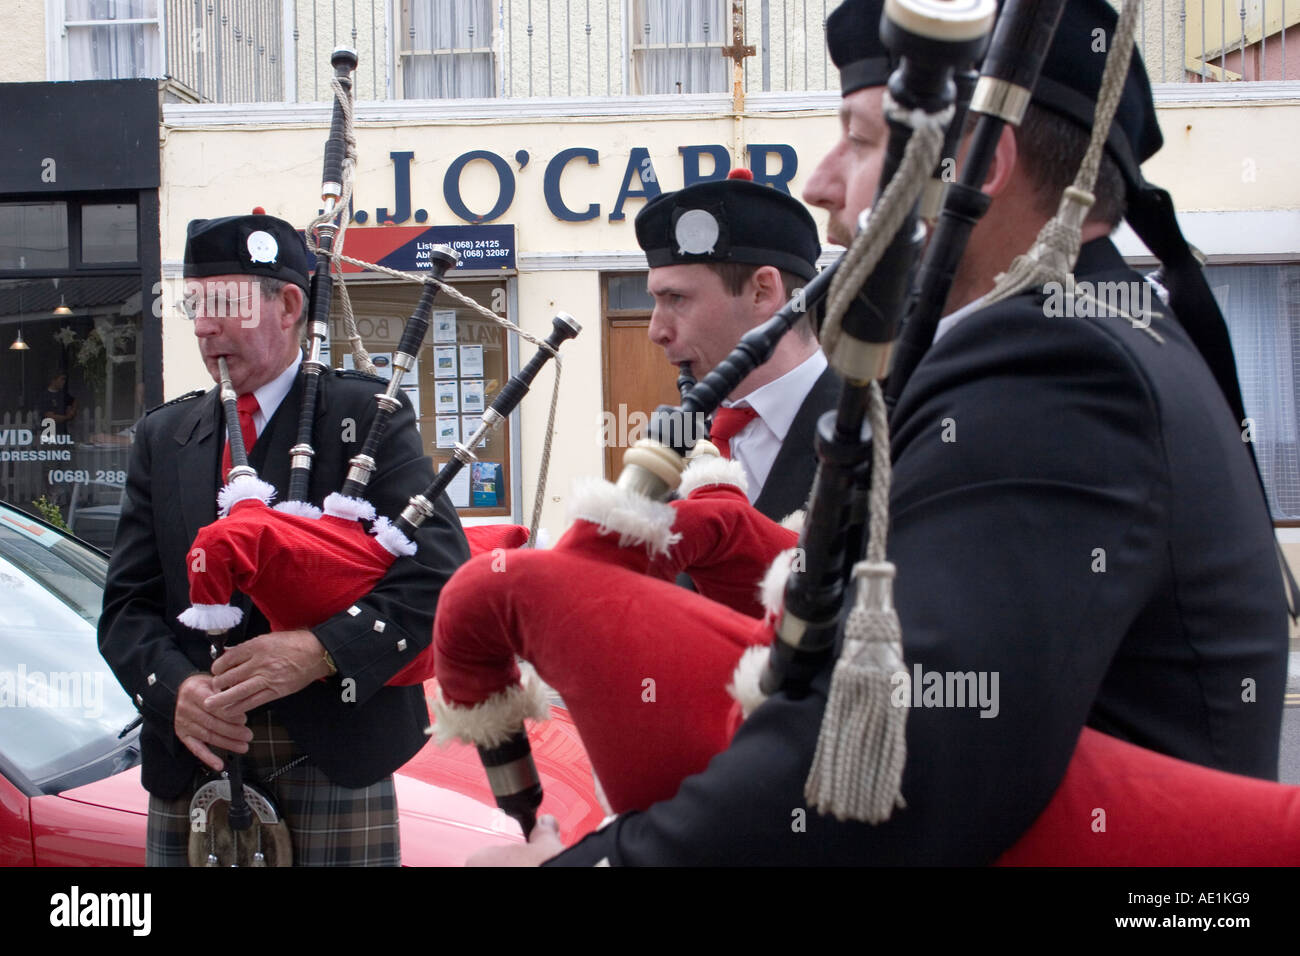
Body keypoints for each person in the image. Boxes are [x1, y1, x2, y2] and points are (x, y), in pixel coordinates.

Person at [474, 0, 1289, 865]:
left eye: (859, 141)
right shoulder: (1087, 334)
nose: (823, 182)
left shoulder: (1054, 362)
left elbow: (897, 763)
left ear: (984, 163)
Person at [98, 212, 469, 866]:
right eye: (195, 307)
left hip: (333, 759)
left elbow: (438, 577)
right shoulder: (165, 436)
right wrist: (177, 692)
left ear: (290, 304)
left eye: (223, 305)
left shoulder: (364, 415)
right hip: (194, 764)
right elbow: (126, 608)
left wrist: (319, 651)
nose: (204, 326)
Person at [635, 170, 836, 521]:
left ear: (762, 292)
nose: (657, 331)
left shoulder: (881, 431)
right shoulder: (682, 437)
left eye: (677, 298)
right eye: (655, 299)